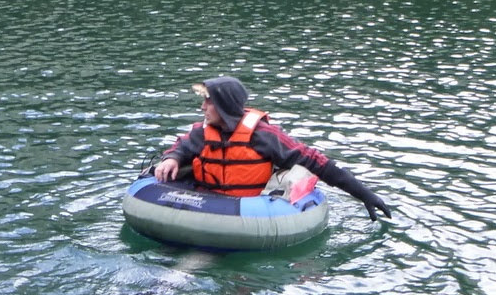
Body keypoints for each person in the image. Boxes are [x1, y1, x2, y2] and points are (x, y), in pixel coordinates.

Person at [153, 76, 392, 220]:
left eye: (208, 101)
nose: (202, 107)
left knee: (199, 258)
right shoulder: (201, 133)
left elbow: (316, 163)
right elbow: (181, 148)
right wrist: (172, 158)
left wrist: (364, 194)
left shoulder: (264, 136)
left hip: (247, 216)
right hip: (202, 207)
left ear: (223, 105)